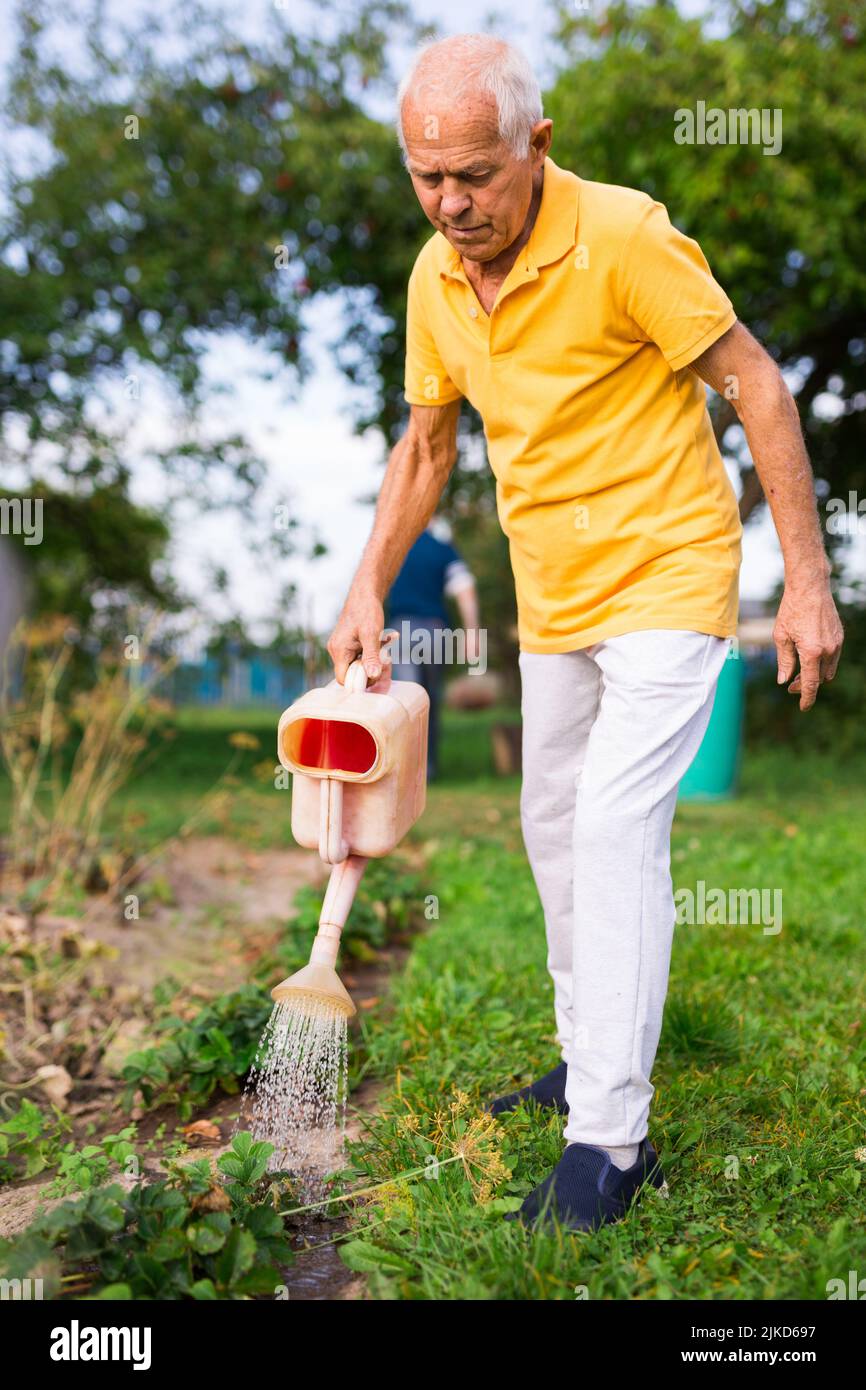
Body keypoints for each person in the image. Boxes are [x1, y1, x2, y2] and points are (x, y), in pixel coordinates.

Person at [327, 33, 844, 1233]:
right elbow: (426, 446)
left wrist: (805, 583)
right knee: (550, 822)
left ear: (535, 146)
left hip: (668, 571)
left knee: (613, 826)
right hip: (551, 594)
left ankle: (609, 1139)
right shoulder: (433, 278)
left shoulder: (621, 234)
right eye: (424, 176)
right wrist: (366, 587)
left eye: (473, 176)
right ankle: (585, 1054)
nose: (449, 203)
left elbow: (755, 383)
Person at [384, 519, 479, 780]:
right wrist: (471, 632)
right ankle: (426, 770)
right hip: (433, 633)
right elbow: (465, 589)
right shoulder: (442, 548)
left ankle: (401, 768)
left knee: (403, 701)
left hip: (398, 632)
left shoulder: (394, 547)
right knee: (428, 701)